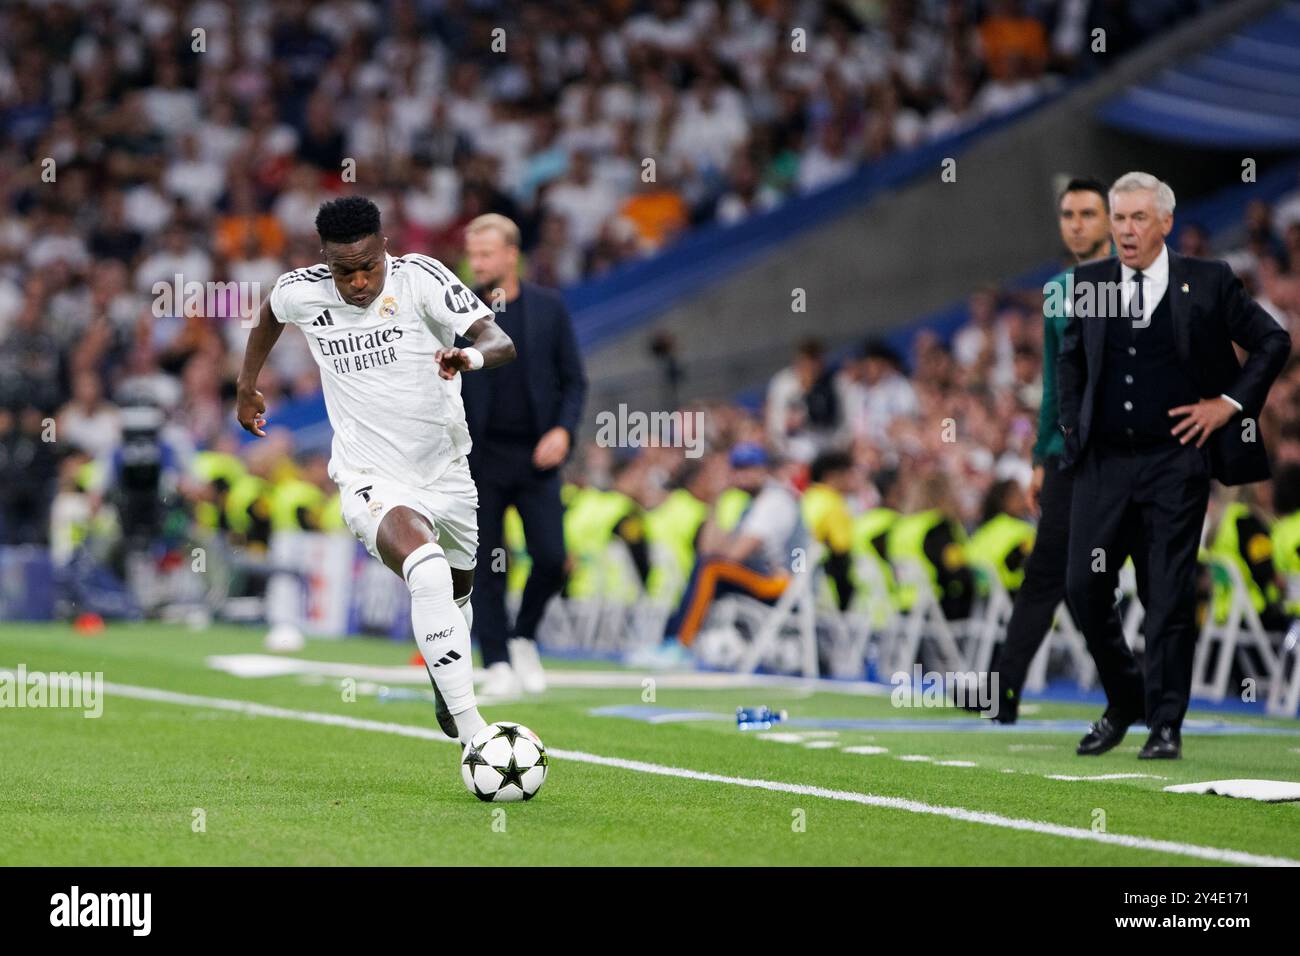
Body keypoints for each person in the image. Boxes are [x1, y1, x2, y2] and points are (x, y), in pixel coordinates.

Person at [235, 195, 517, 753]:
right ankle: (475, 735)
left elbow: (499, 341)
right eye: (345, 271)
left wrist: (468, 358)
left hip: (447, 473)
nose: (359, 281)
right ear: (326, 261)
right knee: (429, 574)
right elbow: (269, 313)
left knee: (458, 595)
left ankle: (447, 680)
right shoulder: (303, 290)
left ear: (385, 246)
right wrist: (246, 386)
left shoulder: (421, 278)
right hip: (371, 475)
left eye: (369, 266)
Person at [1059, 172, 1291, 759]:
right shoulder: (1088, 283)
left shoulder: (1209, 281)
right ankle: (1125, 696)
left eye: (1139, 218)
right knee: (1083, 587)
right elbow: (1071, 363)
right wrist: (1071, 429)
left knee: (1167, 595)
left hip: (1174, 463)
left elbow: (1273, 340)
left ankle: (1165, 724)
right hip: (1105, 464)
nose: (1127, 230)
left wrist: (1230, 405)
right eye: (1118, 218)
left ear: (1165, 221)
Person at [968, 177, 1115, 723]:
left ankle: (1143, 689)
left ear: (1110, 219)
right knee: (1055, 575)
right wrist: (1038, 456)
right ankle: (1006, 692)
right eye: (1068, 215)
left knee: (1090, 576)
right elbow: (1055, 385)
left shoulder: (1134, 284)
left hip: (1119, 456)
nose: (1076, 223)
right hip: (1065, 458)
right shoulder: (1057, 290)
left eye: (1087, 214)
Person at [459, 213, 587, 696]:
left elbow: (575, 380)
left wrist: (563, 432)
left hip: (538, 457)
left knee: (553, 558)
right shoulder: (462, 310)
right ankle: (496, 662)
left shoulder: (549, 309)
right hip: (482, 459)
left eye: (486, 253)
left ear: (512, 254)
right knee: (489, 562)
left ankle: (525, 636)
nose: (478, 262)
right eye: (473, 254)